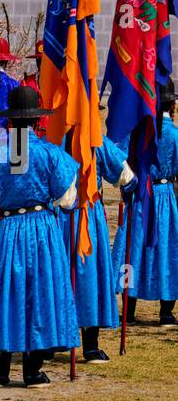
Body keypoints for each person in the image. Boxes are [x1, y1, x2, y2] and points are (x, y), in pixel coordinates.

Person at [0, 85, 80, 385]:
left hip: (6, 229)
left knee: (5, 293)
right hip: (42, 230)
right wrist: (52, 205)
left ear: (10, 121)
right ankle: (32, 370)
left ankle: (1, 371)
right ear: (35, 120)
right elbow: (69, 198)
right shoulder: (50, 153)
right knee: (39, 294)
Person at [113, 81, 178, 327]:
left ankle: (129, 308)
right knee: (167, 250)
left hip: (141, 194)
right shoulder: (174, 134)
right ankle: (166, 310)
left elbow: (120, 158)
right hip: (163, 195)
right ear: (172, 104)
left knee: (134, 250)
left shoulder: (138, 131)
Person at [63, 136, 133, 359]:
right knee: (88, 276)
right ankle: (90, 345)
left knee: (61, 275)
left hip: (56, 217)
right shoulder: (96, 141)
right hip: (86, 213)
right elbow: (127, 177)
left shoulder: (51, 139)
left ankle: (49, 344)